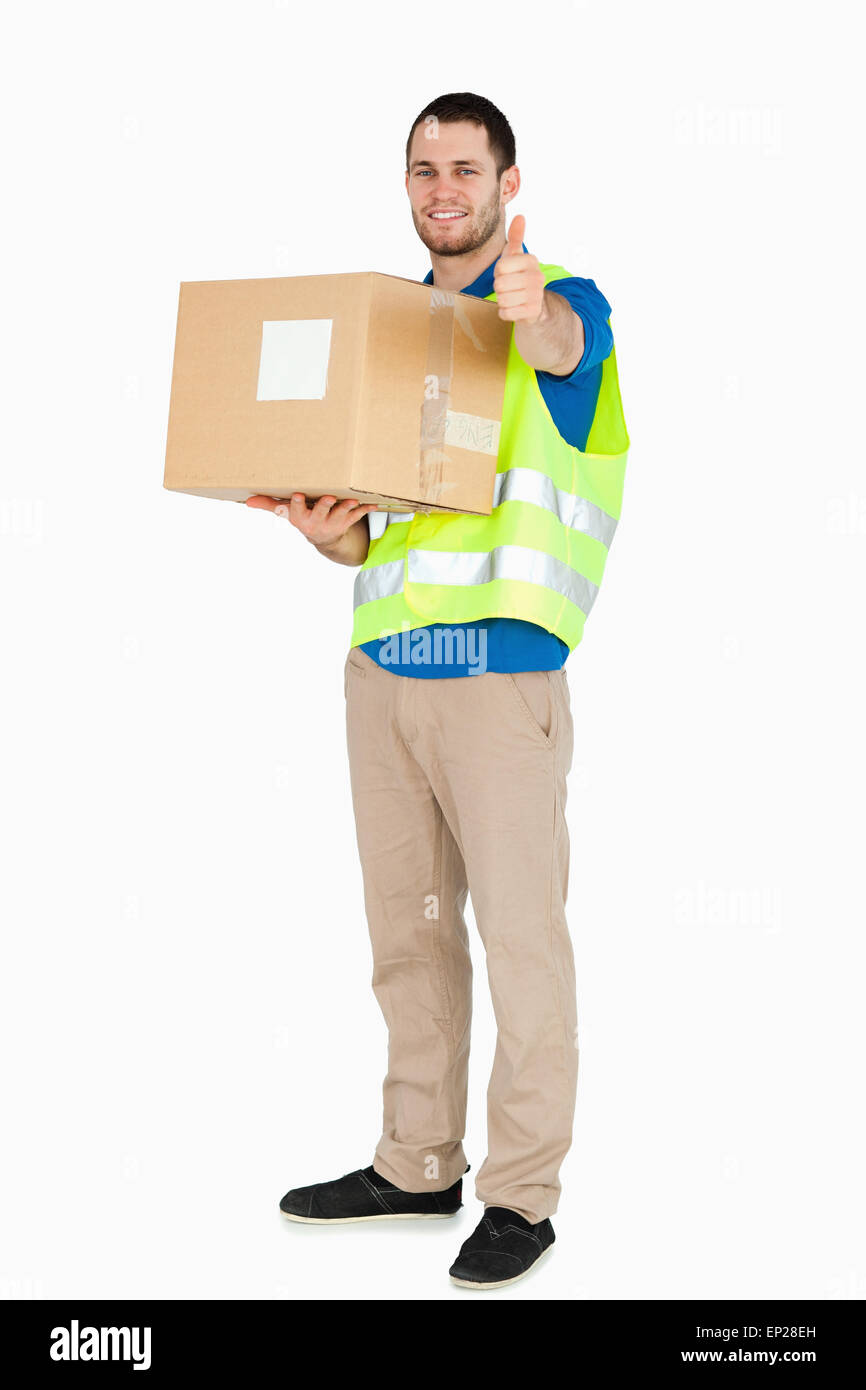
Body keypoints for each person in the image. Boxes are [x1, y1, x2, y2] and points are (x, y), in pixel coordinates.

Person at [246, 92, 629, 1290]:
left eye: (466, 167)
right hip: (385, 681)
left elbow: (566, 349)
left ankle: (522, 1196)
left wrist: (536, 313)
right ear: (406, 184)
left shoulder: (563, 305)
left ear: (508, 183)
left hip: (498, 688)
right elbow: (386, 534)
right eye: (423, 168)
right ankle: (416, 1160)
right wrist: (334, 544)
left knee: (520, 946)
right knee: (406, 941)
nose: (442, 187)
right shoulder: (394, 330)